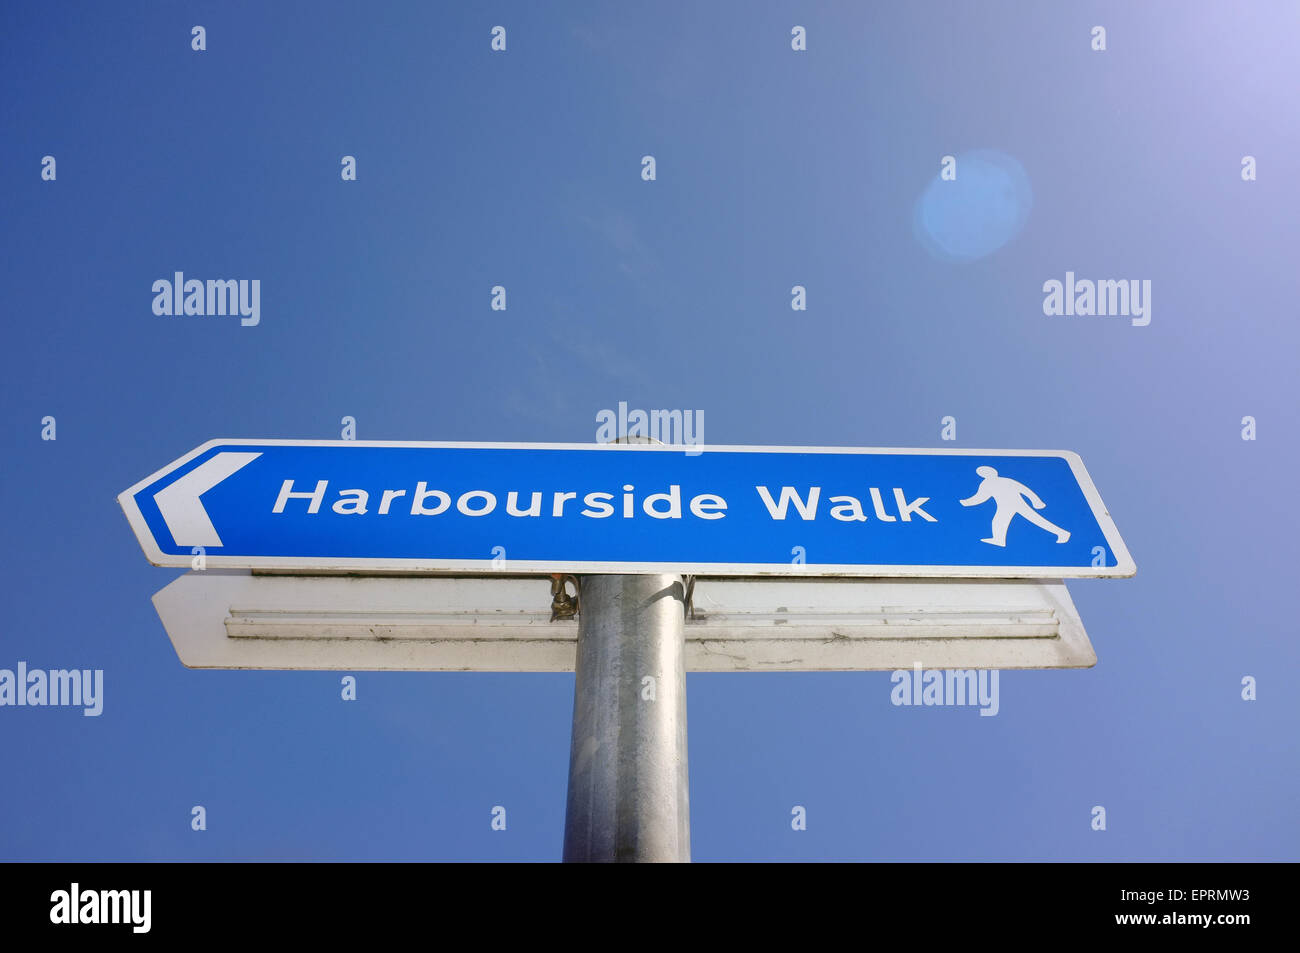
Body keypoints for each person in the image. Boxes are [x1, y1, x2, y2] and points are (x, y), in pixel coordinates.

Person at [959, 466, 1070, 547]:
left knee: (1037, 520)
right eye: (982, 472)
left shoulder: (1001, 481)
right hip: (1005, 506)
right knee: (998, 521)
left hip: (1015, 504)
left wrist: (1036, 501)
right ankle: (998, 540)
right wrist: (967, 502)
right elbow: (981, 497)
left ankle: (1063, 533)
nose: (984, 474)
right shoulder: (989, 483)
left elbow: (1024, 490)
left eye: (985, 472)